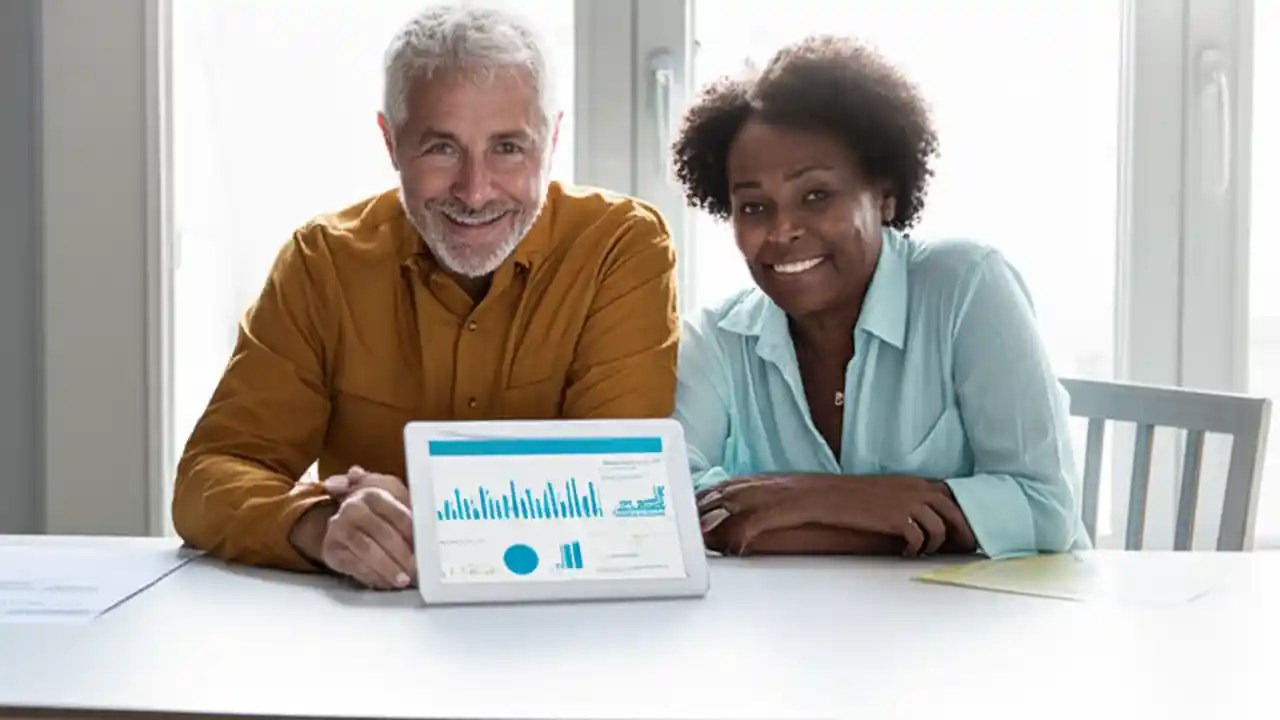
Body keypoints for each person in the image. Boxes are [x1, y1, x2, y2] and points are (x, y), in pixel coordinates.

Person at [173, 5, 679, 589]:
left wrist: (427, 516)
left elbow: (617, 491)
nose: (475, 189)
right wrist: (322, 523)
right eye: (441, 148)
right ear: (391, 143)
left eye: (508, 148)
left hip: (564, 628)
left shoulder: (620, 246)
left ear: (553, 139)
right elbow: (208, 479)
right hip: (368, 633)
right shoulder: (322, 262)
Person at [670, 36, 1088, 560]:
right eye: (754, 207)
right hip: (802, 629)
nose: (782, 231)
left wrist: (808, 501)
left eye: (816, 196)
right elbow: (668, 502)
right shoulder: (719, 338)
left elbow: (1044, 510)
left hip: (993, 623)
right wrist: (880, 507)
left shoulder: (967, 287)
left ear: (885, 196)